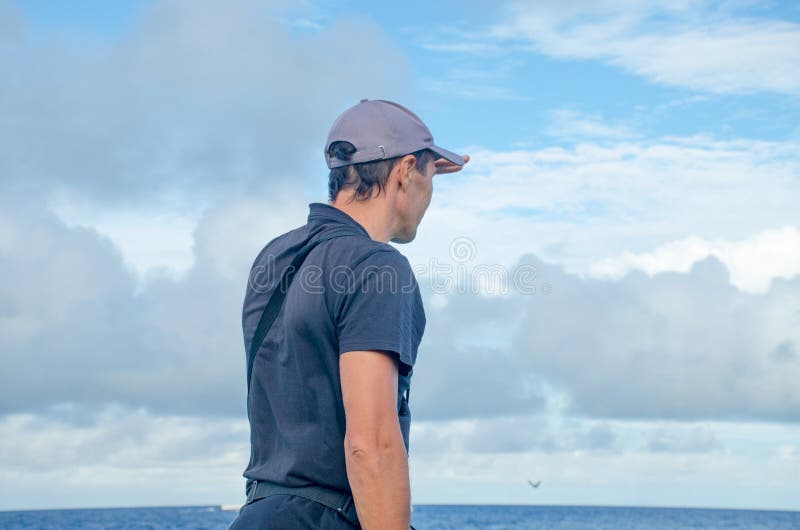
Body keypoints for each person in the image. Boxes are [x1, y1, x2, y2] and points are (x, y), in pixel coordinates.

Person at [229, 99, 469, 529]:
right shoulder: (376, 266)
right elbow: (371, 445)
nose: (430, 198)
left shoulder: (275, 258)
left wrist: (425, 167)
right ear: (404, 170)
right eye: (430, 178)